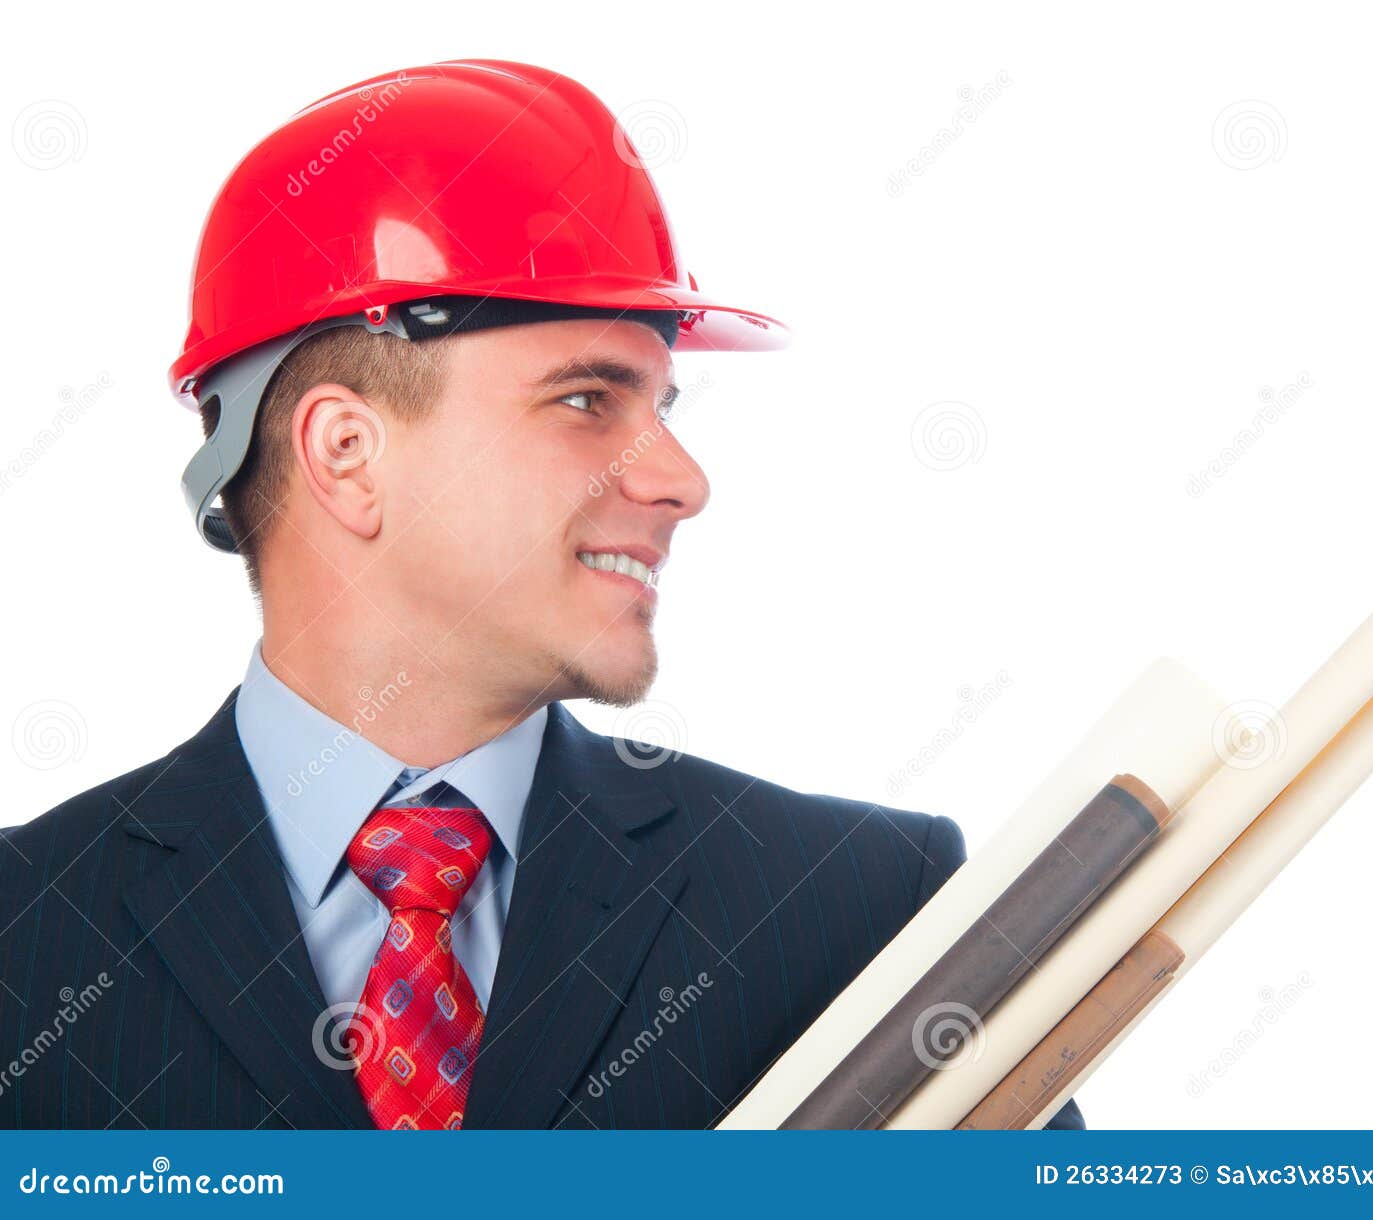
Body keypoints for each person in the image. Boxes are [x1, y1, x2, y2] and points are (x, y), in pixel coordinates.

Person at [0, 59, 1084, 1132]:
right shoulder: (23, 939)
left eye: (661, 404)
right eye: (585, 399)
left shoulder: (865, 908)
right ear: (346, 452)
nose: (681, 481)